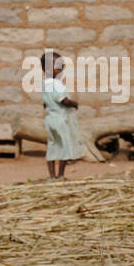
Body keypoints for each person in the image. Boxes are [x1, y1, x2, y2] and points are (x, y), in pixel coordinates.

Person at [41, 50, 82, 179]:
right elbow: (63, 100)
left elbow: (45, 103)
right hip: (60, 119)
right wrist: (73, 103)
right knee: (65, 144)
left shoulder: (45, 84)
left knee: (52, 145)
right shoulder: (57, 85)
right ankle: (61, 175)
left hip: (49, 119)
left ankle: (52, 175)